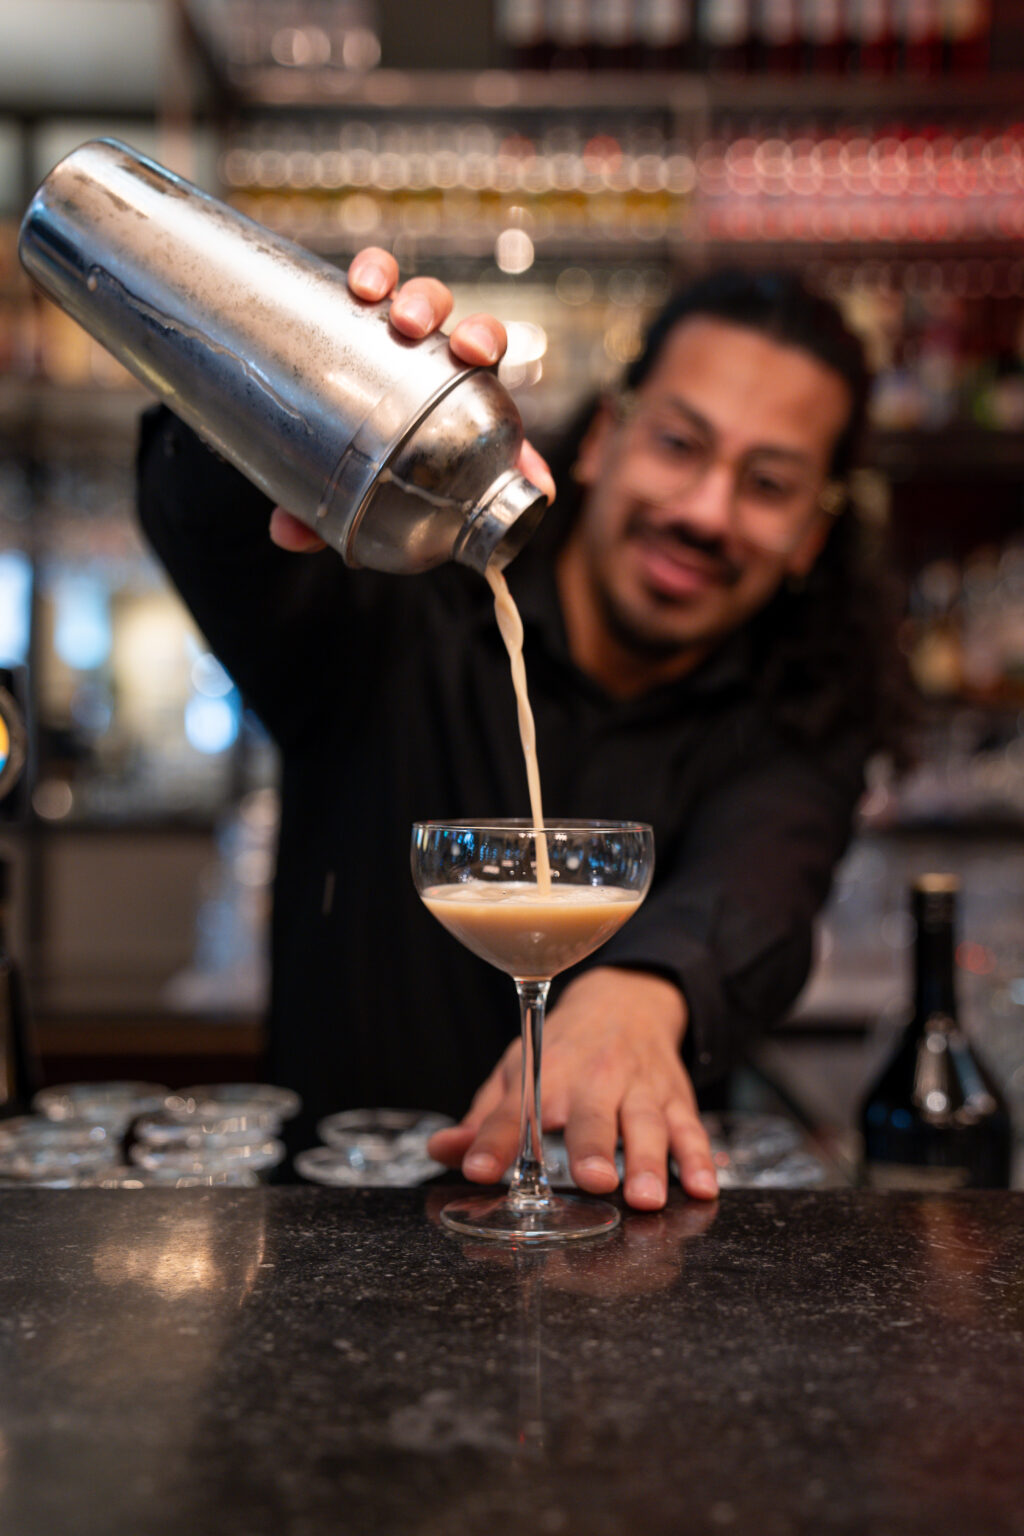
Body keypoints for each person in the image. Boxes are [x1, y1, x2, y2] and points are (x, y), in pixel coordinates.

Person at [137, 252, 903, 1210]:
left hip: (623, 1265)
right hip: (338, 1246)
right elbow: (208, 531)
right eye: (679, 444)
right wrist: (282, 398)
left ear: (814, 535)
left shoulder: (799, 712)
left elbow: (765, 885)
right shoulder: (401, 602)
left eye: (770, 483)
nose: (707, 512)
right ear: (605, 436)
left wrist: (646, 990)